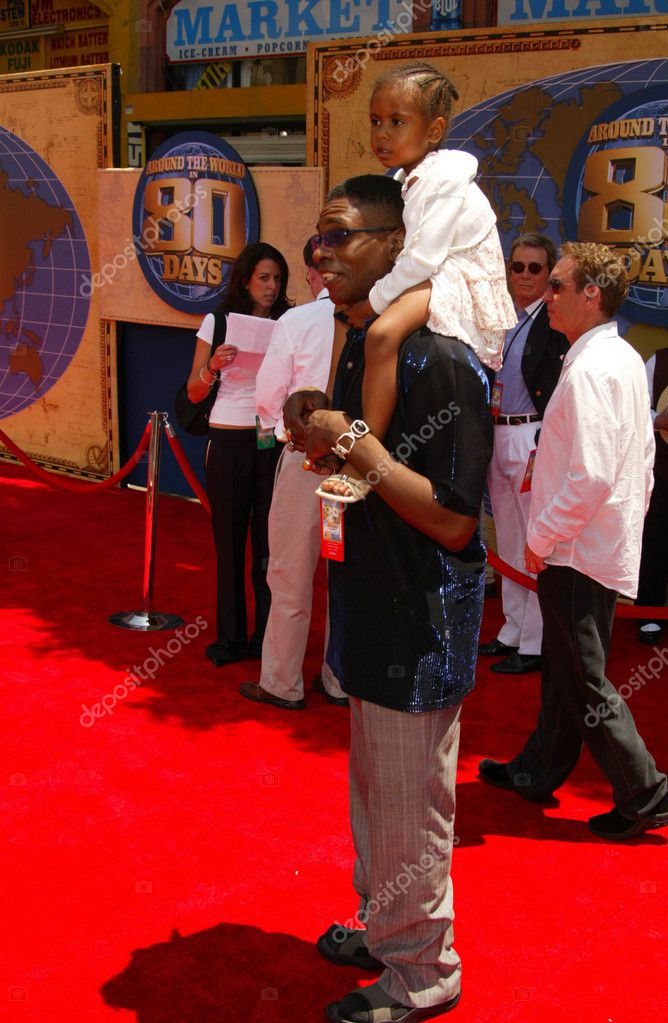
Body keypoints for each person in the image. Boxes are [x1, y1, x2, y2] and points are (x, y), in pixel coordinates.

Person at [296, 174, 492, 1022]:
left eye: (340, 236)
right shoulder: (364, 339)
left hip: (420, 618)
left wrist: (352, 445)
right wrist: (325, 436)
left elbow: (452, 520)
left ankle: (422, 970)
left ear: (394, 243)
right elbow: (357, 464)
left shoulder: (443, 357)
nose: (321, 253)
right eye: (319, 237)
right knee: (376, 791)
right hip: (370, 599)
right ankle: (388, 925)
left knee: (413, 804)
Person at [479, 241, 668, 841]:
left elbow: (592, 473)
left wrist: (542, 536)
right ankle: (538, 771)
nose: (547, 294)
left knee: (584, 678)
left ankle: (647, 794)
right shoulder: (613, 358)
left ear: (591, 296)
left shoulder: (593, 367)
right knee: (567, 670)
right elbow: (630, 459)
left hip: (577, 548)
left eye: (558, 284)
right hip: (594, 542)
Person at [317, 61, 514, 504]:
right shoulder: (409, 179)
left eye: (397, 122)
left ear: (435, 129)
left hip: (457, 277)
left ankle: (365, 455)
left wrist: (374, 301)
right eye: (375, 122)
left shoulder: (442, 180)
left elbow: (422, 258)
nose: (382, 134)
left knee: (382, 333)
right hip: (436, 274)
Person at [238, 242, 348, 710]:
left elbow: (269, 395)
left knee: (288, 574)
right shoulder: (377, 321)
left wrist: (280, 430)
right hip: (355, 466)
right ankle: (340, 679)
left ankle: (282, 682)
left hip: (305, 461)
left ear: (311, 272)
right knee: (344, 572)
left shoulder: (298, 321)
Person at [185, 242, 292, 667]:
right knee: (229, 543)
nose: (271, 286)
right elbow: (193, 390)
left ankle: (265, 638)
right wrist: (213, 367)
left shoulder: (288, 321)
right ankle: (229, 638)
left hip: (270, 439)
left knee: (268, 548)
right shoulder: (218, 320)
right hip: (227, 436)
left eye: (277, 279)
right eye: (263, 278)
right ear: (245, 279)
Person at [479, 233, 569, 675]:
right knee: (510, 538)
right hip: (497, 433)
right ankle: (513, 628)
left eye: (536, 268)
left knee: (534, 540)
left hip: (532, 435)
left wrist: (545, 443)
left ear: (551, 274)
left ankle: (534, 642)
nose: (526, 276)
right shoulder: (504, 318)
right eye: (518, 267)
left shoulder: (553, 321)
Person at [635, 316, 668, 645]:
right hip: (664, 471)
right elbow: (637, 410)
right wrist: (660, 419)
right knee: (656, 542)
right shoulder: (659, 360)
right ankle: (648, 612)